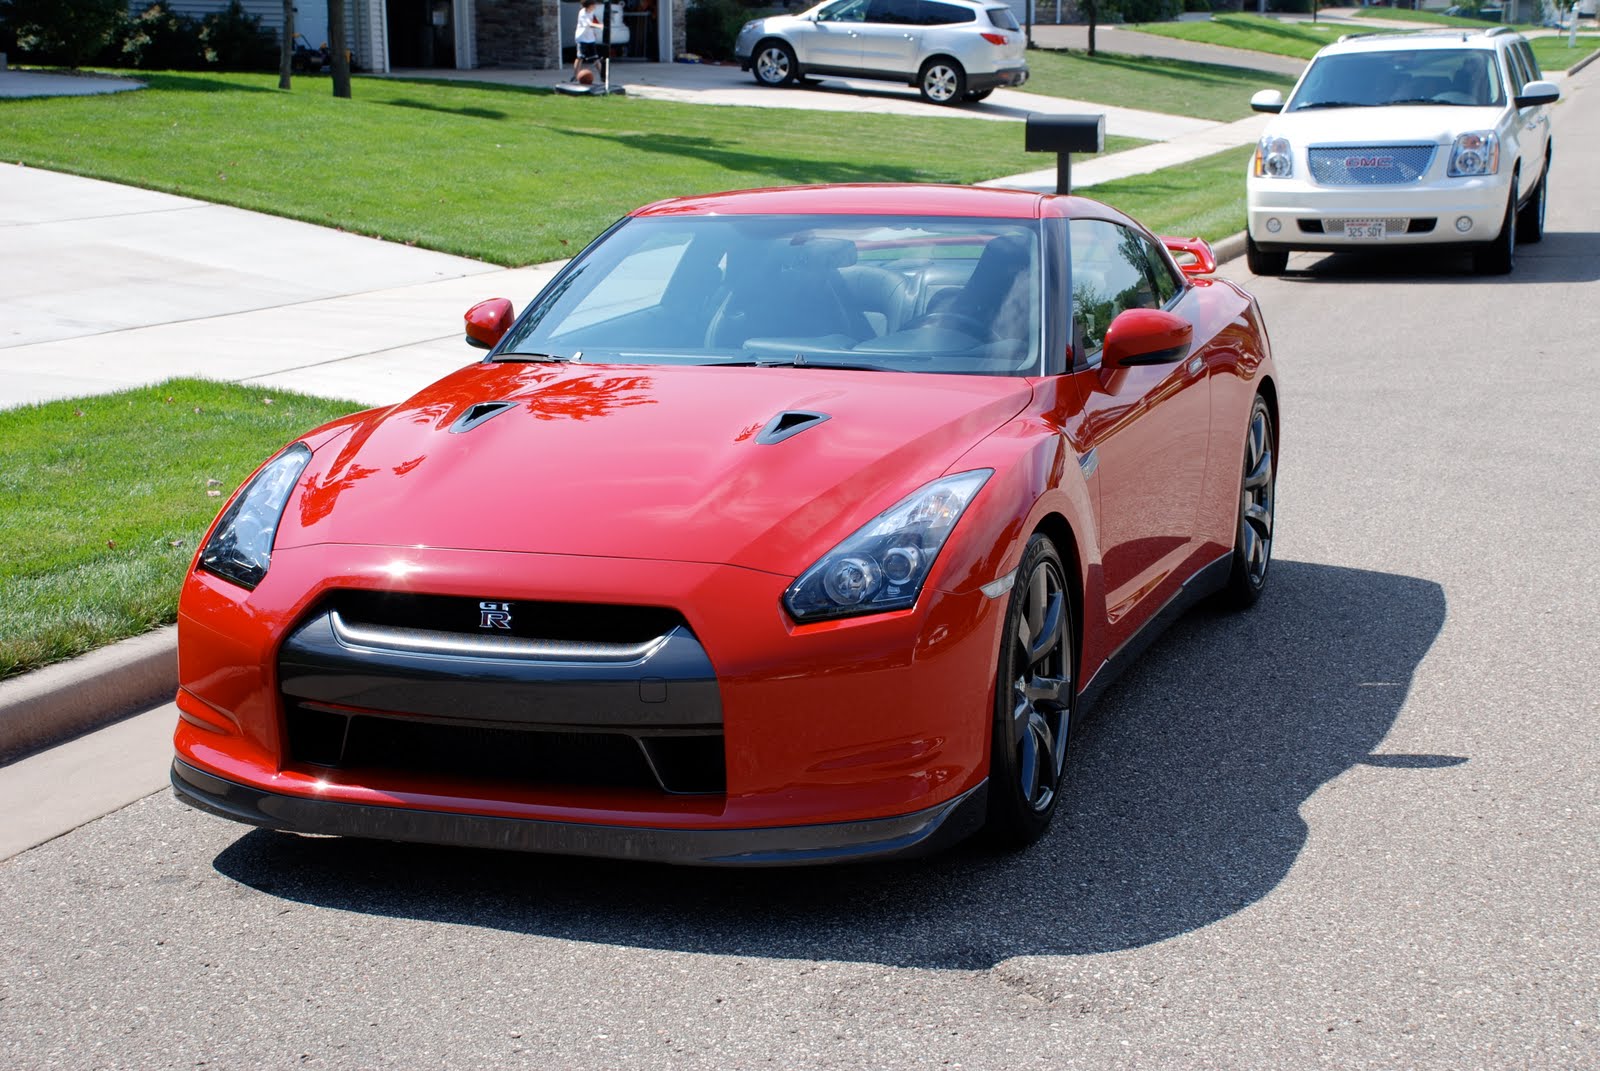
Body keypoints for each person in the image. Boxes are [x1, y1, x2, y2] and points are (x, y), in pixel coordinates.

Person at [573, 0, 602, 82]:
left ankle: (602, 76)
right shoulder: (583, 13)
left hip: (590, 39)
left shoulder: (592, 13)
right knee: (580, 57)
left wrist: (594, 33)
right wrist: (600, 26)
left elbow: (593, 24)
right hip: (582, 38)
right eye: (593, 4)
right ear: (589, 5)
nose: (595, 6)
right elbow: (589, 24)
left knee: (595, 58)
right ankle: (575, 76)